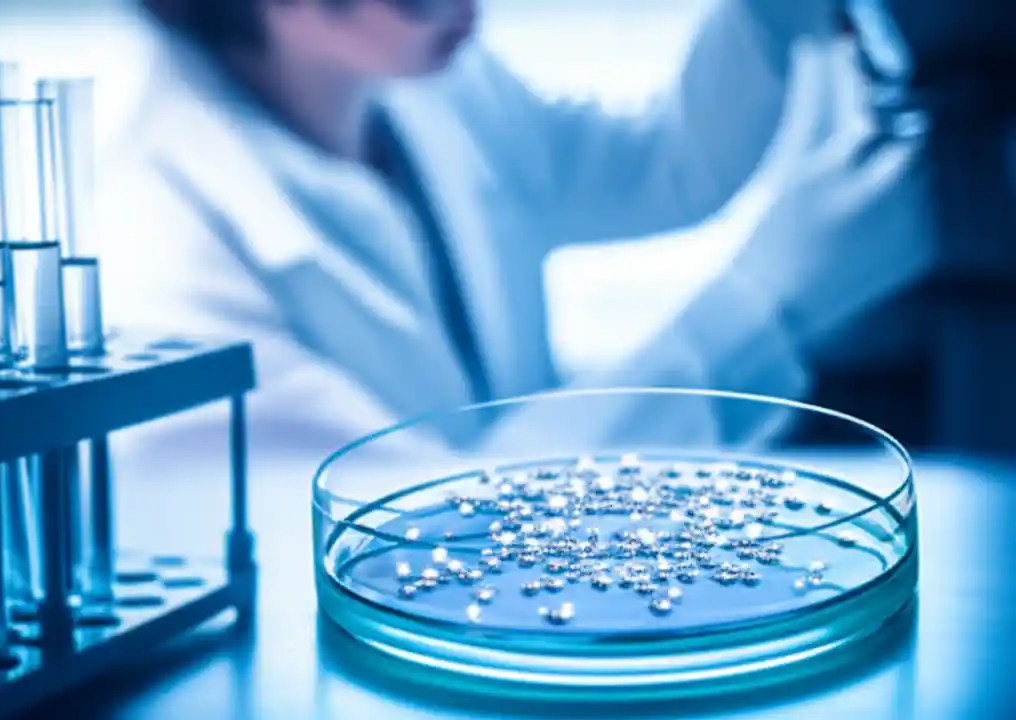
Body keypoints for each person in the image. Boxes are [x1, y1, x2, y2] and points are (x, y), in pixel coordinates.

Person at [99, 0, 927, 455]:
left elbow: (658, 167)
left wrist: (770, 19)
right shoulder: (172, 264)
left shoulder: (419, 84)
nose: (472, 10)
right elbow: (421, 538)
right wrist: (759, 311)